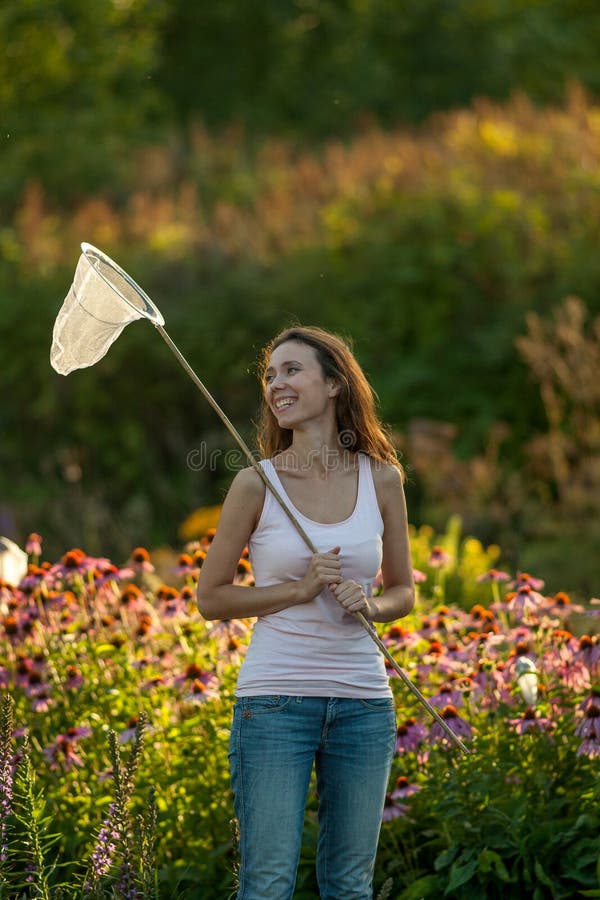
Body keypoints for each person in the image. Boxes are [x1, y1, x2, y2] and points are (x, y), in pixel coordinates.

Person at [197, 325, 415, 900]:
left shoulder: (383, 478)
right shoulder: (255, 483)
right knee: (267, 884)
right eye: (270, 375)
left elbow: (403, 593)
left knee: (349, 885)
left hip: (364, 707)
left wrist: (369, 604)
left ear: (336, 382)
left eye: (291, 370)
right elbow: (211, 598)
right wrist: (294, 592)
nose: (276, 384)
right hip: (274, 704)